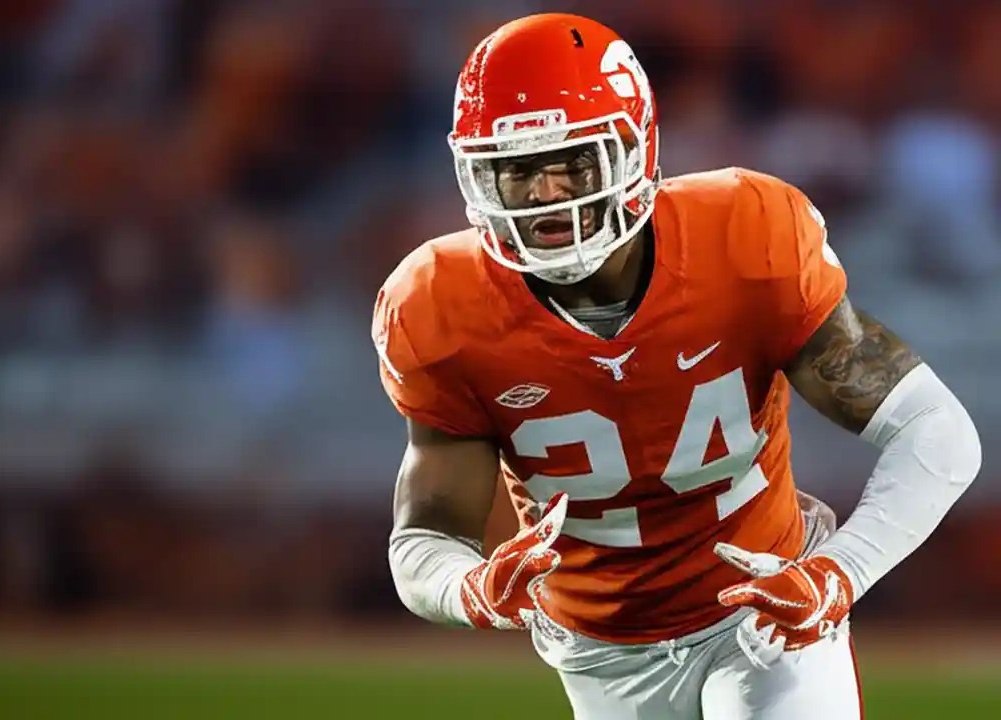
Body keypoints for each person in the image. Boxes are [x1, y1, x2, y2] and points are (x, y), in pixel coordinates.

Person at [373, 13, 981, 719]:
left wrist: (835, 575)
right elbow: (423, 537)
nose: (545, 196)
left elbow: (936, 433)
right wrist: (470, 588)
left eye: (571, 161)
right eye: (516, 169)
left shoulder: (744, 236)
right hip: (599, 648)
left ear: (633, 149)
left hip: (769, 616)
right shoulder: (439, 303)